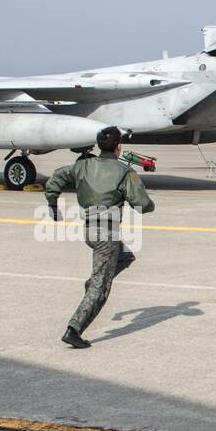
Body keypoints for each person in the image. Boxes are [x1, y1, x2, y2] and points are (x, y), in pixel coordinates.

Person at [44, 126, 155, 348]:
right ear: (118, 147)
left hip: (89, 230)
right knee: (100, 288)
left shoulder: (83, 165)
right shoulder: (123, 171)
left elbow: (56, 178)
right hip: (107, 235)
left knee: (125, 257)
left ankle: (95, 282)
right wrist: (148, 201)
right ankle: (74, 329)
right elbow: (142, 205)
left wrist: (53, 205)